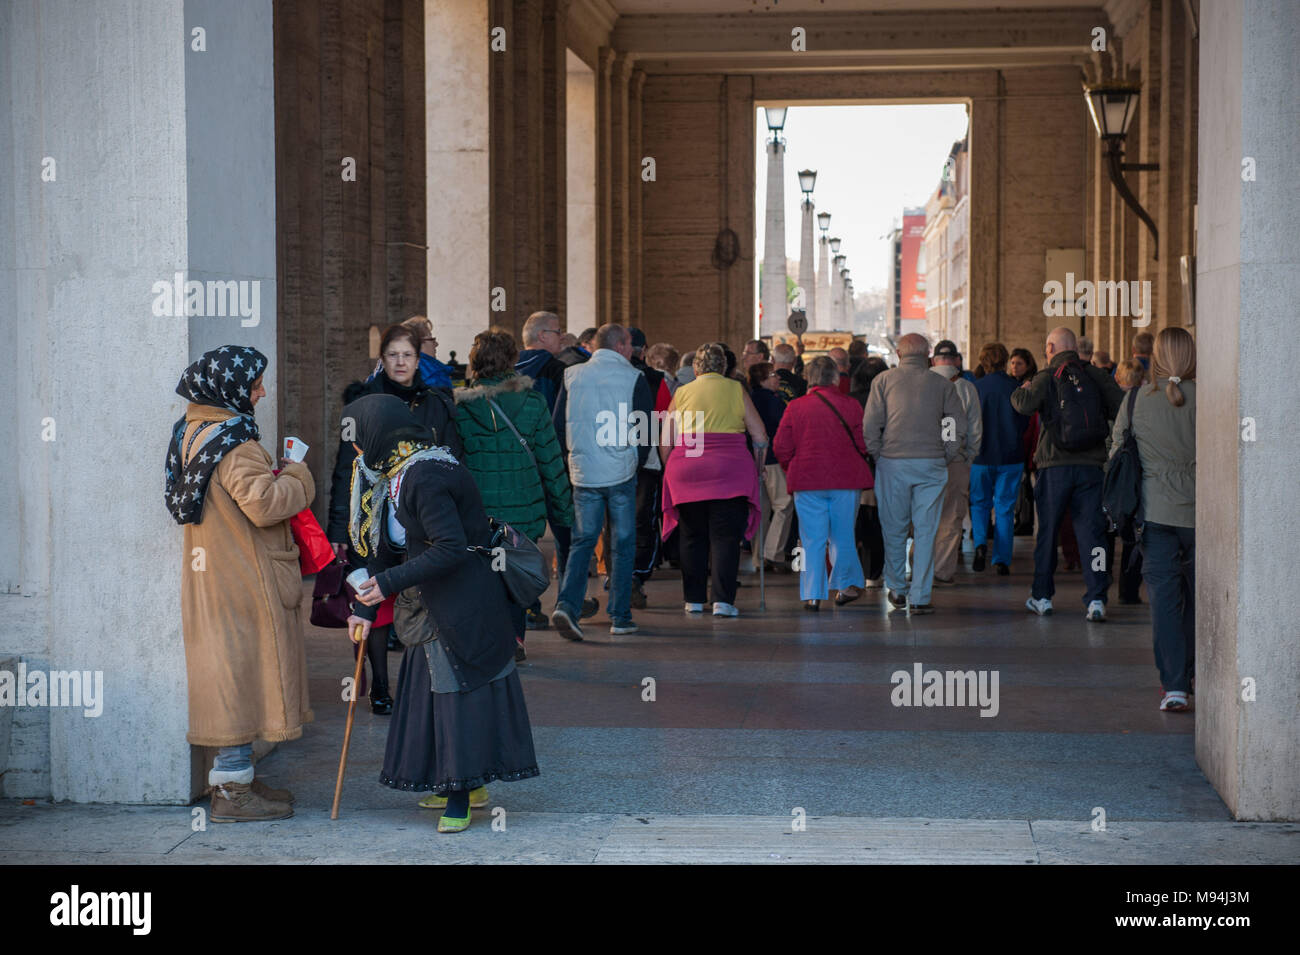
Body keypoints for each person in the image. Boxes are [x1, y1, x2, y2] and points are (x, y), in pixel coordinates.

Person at [342, 394, 539, 832]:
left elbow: (449, 547)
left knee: (456, 695)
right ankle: (468, 786)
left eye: (357, 439)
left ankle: (459, 795)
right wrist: (364, 607)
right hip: (431, 603)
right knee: (433, 695)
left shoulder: (426, 474)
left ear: (378, 434)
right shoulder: (394, 474)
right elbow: (387, 550)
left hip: (460, 603)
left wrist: (387, 586)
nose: (355, 450)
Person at [167, 345, 313, 822]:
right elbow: (265, 505)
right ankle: (232, 794)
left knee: (230, 675)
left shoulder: (191, 432)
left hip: (214, 579)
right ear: (230, 390)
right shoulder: (234, 443)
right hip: (242, 581)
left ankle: (237, 780)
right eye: (254, 386)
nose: (262, 392)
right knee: (239, 679)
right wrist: (298, 475)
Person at [328, 322, 462, 714]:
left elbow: (454, 460)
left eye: (407, 355)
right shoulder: (362, 403)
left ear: (419, 359)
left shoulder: (437, 402)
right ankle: (381, 686)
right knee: (375, 597)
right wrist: (339, 527)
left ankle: (423, 683)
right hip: (374, 516)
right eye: (393, 355)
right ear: (381, 359)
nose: (400, 362)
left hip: (424, 516)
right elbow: (345, 469)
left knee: (425, 596)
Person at [454, 328, 574, 657]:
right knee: (515, 573)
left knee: (483, 573)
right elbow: (551, 460)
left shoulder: (460, 407)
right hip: (525, 512)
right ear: (513, 359)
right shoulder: (533, 402)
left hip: (480, 510)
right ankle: (515, 639)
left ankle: (488, 636)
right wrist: (564, 510)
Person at [1108, 327, 1196, 711]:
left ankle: (1174, 685)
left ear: (1155, 357)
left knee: (1163, 601)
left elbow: (1116, 453)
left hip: (1154, 513)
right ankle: (1194, 673)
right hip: (1203, 514)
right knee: (1199, 600)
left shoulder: (1134, 401)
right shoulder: (1212, 397)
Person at [1012, 326, 1124, 620]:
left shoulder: (1046, 377)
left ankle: (1042, 596)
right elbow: (1120, 409)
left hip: (1054, 466)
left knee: (1048, 533)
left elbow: (1024, 406)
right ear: (1074, 348)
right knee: (1093, 534)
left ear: (1050, 348)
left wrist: (1021, 390)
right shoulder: (1096, 375)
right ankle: (1097, 598)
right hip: (1091, 468)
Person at [550, 324, 653, 638]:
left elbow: (557, 425)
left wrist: (572, 460)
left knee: (583, 541)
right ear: (622, 345)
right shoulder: (635, 377)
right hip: (621, 471)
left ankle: (567, 605)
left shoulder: (572, 376)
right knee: (622, 545)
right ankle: (620, 617)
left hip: (584, 472)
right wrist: (635, 460)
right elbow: (645, 430)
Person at [660, 342, 768, 616]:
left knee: (691, 535)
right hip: (730, 471)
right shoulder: (735, 389)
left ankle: (693, 600)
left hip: (686, 469)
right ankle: (722, 601)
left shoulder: (682, 392)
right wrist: (758, 466)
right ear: (723, 367)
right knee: (725, 538)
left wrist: (670, 467)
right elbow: (759, 437)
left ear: (696, 368)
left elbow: (665, 439)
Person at [863, 334, 965, 614]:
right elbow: (953, 423)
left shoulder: (883, 382)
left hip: (892, 462)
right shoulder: (942, 385)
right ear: (928, 354)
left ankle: (896, 588)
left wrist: (878, 452)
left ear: (898, 353)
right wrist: (947, 452)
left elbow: (871, 424)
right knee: (926, 530)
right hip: (931, 463)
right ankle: (920, 596)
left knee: (893, 528)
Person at [773, 356, 873, 610]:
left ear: (808, 377)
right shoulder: (851, 406)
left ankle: (812, 594)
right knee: (842, 536)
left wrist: (792, 466)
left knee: (811, 539)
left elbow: (781, 446)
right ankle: (846, 586)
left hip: (807, 480)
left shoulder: (795, 407)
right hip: (845, 480)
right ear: (835, 377)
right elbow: (863, 443)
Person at [969, 343, 1030, 575]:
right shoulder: (1015, 387)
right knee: (1005, 507)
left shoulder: (976, 388)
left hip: (980, 455)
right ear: (1005, 360)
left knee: (979, 503)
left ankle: (980, 544)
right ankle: (1002, 559)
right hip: (1010, 454)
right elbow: (1024, 422)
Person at [930, 340, 983, 584]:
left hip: (922, 460)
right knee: (951, 518)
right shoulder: (966, 388)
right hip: (956, 461)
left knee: (922, 516)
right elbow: (975, 429)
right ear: (957, 361)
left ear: (933, 361)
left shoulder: (920, 384)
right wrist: (968, 458)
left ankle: (918, 564)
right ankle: (942, 570)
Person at [748, 362, 795, 573]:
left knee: (762, 508)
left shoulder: (750, 398)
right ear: (763, 379)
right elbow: (784, 425)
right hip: (773, 458)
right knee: (784, 504)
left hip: (753, 458)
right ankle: (773, 552)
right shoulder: (773, 401)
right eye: (773, 375)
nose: (778, 378)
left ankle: (758, 557)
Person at [849, 357, 889, 587]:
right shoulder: (888, 401)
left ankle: (853, 571)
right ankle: (874, 573)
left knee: (855, 523)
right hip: (880, 468)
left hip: (853, 471)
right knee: (876, 524)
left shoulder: (850, 401)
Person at [514, 310, 568, 412]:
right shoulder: (557, 370)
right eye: (558, 332)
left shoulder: (506, 367)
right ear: (542, 336)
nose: (562, 337)